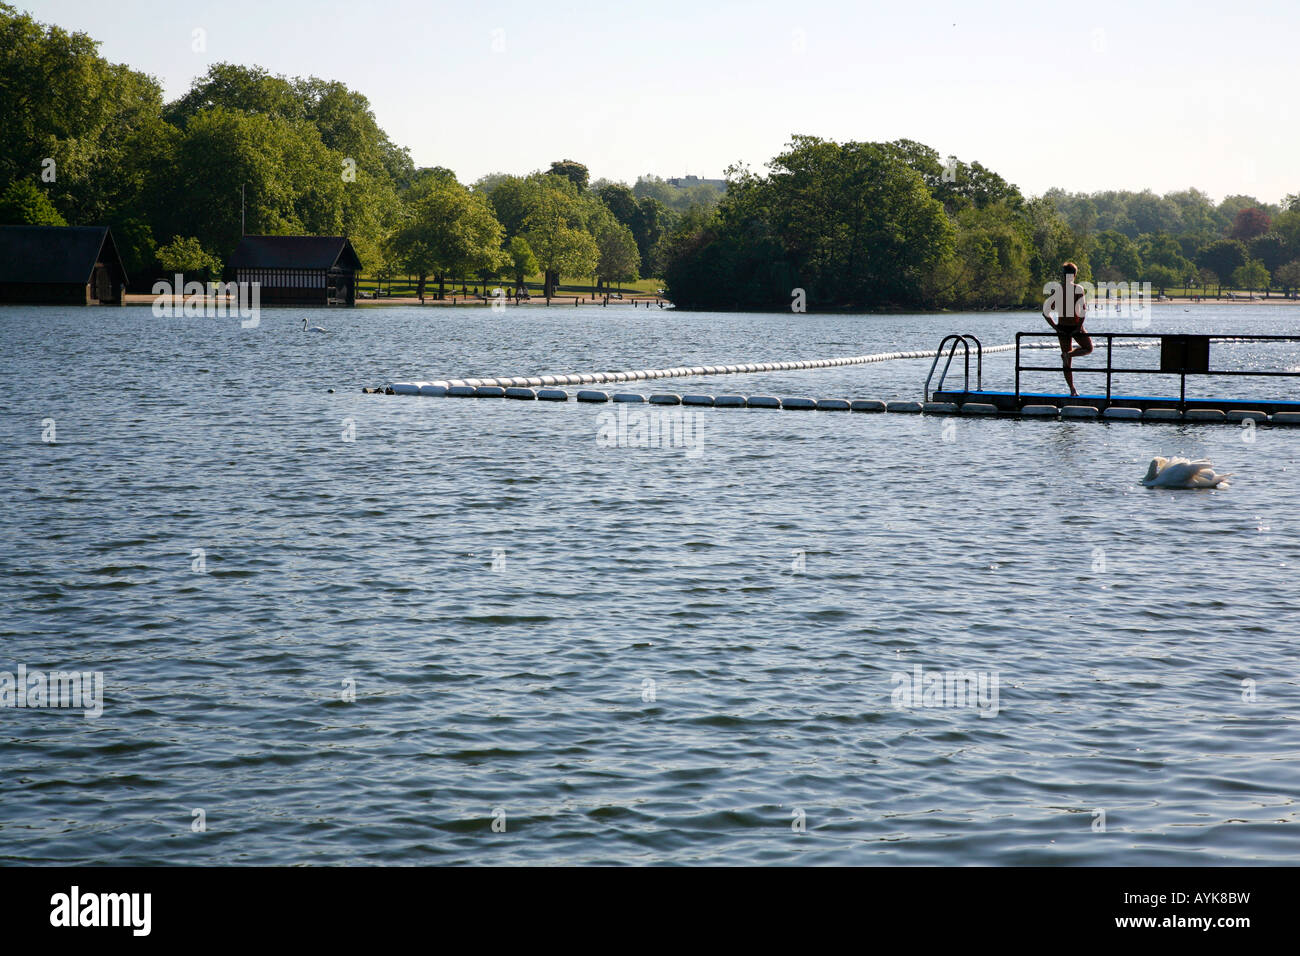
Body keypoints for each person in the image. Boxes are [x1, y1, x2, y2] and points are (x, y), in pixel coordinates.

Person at [1042, 261, 1093, 396]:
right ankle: (1069, 354)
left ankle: (1072, 389)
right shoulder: (1078, 289)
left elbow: (1046, 312)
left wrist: (1056, 328)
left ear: (1063, 275)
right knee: (1088, 348)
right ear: (1075, 275)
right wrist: (1078, 327)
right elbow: (1083, 311)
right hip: (1075, 326)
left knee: (1067, 362)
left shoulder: (1057, 289)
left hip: (1062, 328)